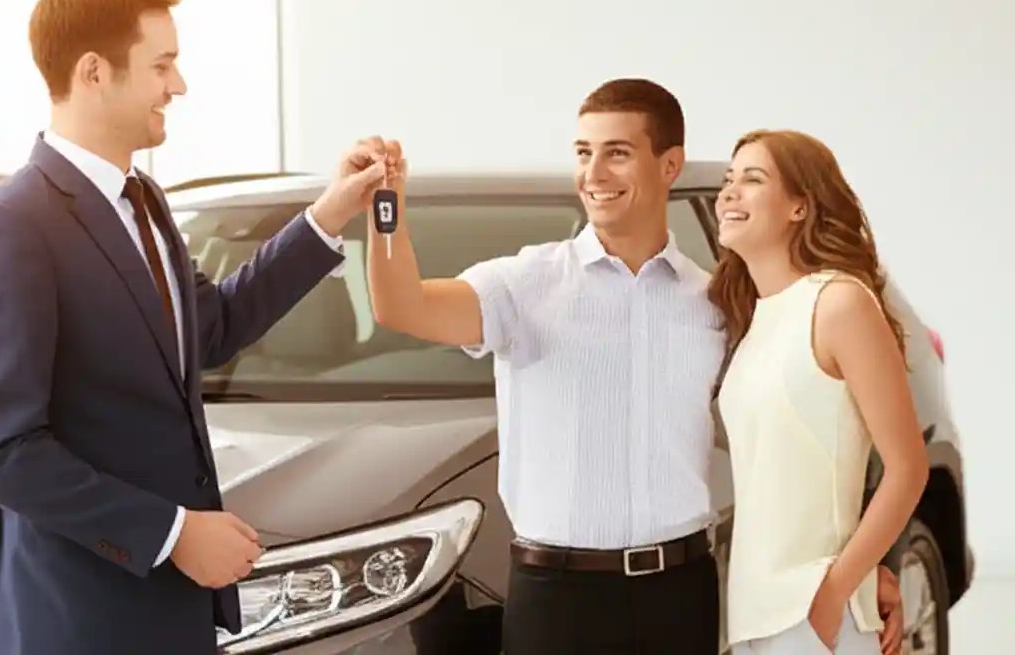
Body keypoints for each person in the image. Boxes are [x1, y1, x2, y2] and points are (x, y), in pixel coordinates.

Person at [361, 78, 905, 654]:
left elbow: (801, 443)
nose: (594, 174)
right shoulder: (525, 284)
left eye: (616, 153)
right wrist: (386, 204)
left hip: (681, 595)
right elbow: (402, 305)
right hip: (555, 600)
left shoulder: (718, 304)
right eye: (583, 153)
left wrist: (858, 566)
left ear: (670, 165)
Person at [0, 0, 394, 655]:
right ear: (95, 72)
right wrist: (173, 532)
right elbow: (1, 450)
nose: (177, 85)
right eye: (162, 65)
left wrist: (330, 214)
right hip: (76, 622)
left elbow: (211, 329)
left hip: (166, 617)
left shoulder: (145, 203)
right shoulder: (11, 227)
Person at [712, 130, 929, 654]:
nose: (729, 193)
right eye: (728, 180)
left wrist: (834, 594)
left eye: (752, 179)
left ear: (799, 207)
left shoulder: (838, 303)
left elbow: (907, 467)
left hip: (813, 619)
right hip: (756, 617)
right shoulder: (757, 315)